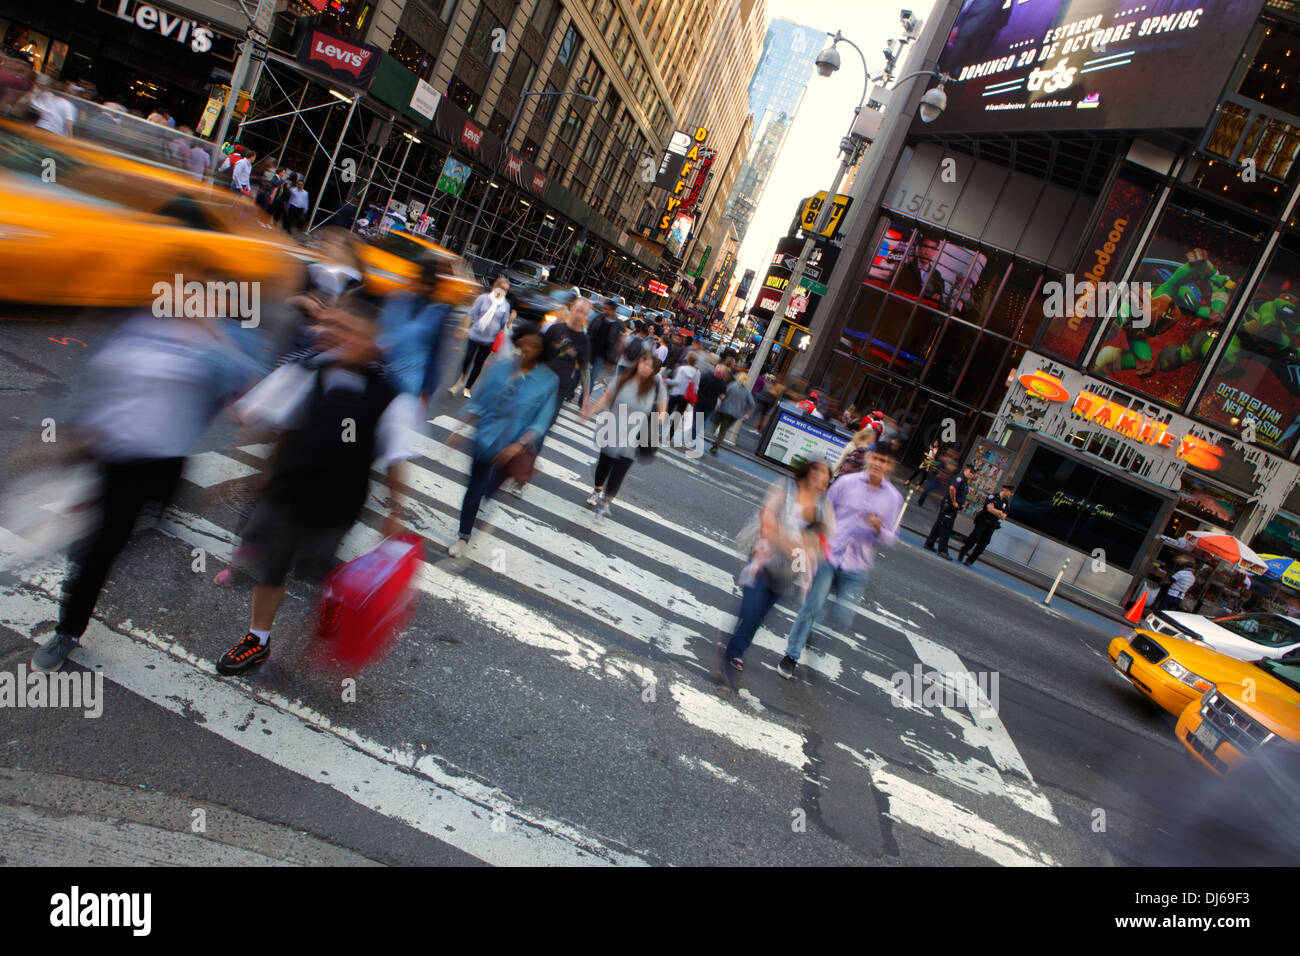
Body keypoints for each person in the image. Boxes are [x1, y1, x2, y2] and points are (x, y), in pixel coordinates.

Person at [31, 303, 261, 673]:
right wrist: (81, 430)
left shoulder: (218, 339)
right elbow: (101, 375)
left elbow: (247, 394)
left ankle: (123, 532)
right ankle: (69, 630)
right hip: (117, 456)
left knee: (136, 525)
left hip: (166, 462)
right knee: (99, 548)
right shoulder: (138, 325)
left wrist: (214, 336)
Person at [214, 302, 418, 675]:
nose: (331, 332)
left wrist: (396, 511)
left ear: (371, 340)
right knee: (274, 565)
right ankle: (257, 640)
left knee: (317, 568)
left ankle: (332, 599)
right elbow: (260, 414)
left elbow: (396, 455)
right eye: (331, 325)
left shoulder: (389, 394)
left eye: (346, 328)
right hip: (289, 491)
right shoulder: (307, 369)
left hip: (338, 503)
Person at [779, 446, 903, 679]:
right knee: (811, 606)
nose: (877, 463)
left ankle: (812, 633)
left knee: (843, 618)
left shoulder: (893, 498)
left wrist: (878, 528)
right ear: (869, 458)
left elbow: (890, 538)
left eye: (884, 461)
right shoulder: (847, 483)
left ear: (890, 466)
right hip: (830, 555)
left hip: (858, 566)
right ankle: (791, 656)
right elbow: (824, 509)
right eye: (876, 458)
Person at [447, 321, 558, 556]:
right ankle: (463, 536)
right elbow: (479, 400)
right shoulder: (501, 368)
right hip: (486, 437)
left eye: (534, 345)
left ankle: (487, 494)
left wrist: (519, 445)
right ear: (518, 342)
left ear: (542, 350)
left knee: (489, 488)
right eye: (524, 342)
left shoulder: (548, 381)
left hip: (513, 446)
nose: (527, 348)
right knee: (474, 488)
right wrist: (461, 426)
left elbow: (541, 420)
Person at [725, 460, 832, 673]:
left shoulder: (823, 509)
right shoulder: (787, 488)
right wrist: (789, 542)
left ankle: (739, 645)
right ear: (808, 472)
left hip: (787, 571)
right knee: (751, 608)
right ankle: (734, 651)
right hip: (763, 559)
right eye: (817, 473)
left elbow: (821, 543)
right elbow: (768, 518)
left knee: (760, 614)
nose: (819, 481)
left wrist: (802, 548)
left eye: (825, 480)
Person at [581, 352, 667, 518]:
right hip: (613, 428)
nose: (645, 367)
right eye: (644, 363)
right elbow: (606, 399)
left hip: (635, 434)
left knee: (620, 470)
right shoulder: (623, 378)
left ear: (653, 371)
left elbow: (662, 404)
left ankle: (606, 503)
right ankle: (597, 489)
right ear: (638, 362)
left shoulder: (656, 385)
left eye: (650, 366)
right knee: (603, 466)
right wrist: (590, 411)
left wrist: (661, 416)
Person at [376, 254, 454, 411]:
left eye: (430, 284)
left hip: (409, 384)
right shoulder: (399, 300)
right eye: (422, 281)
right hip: (380, 376)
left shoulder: (440, 312)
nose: (424, 287)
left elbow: (437, 355)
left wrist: (427, 391)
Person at [448, 276, 511, 398]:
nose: (503, 291)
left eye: (506, 290)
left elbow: (504, 323)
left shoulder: (505, 306)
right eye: (502, 288)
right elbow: (470, 314)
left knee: (479, 363)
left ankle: (467, 387)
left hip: (489, 340)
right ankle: (460, 381)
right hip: (475, 335)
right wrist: (464, 328)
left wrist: (510, 321)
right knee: (468, 358)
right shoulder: (483, 299)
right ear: (495, 287)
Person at [924, 462, 972, 560]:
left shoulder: (964, 481)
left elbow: (959, 494)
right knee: (946, 527)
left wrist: (960, 505)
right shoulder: (959, 478)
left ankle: (929, 543)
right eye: (971, 472)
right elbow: (952, 488)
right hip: (949, 506)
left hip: (952, 506)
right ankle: (943, 550)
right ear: (966, 470)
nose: (972, 475)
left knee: (939, 524)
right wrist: (954, 502)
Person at [958, 483, 1012, 566]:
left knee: (983, 544)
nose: (1011, 494)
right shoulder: (993, 496)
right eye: (1010, 492)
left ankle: (970, 560)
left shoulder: (1006, 503)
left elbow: (1003, 517)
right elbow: (988, 508)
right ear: (1005, 490)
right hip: (983, 521)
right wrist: (999, 512)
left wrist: (995, 511)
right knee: (973, 538)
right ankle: (963, 551)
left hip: (992, 525)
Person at [709, 371, 755, 455]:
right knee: (724, 430)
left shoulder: (732, 386)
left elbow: (723, 395)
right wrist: (746, 413)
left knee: (719, 426)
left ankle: (715, 443)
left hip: (725, 410)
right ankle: (716, 445)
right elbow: (752, 404)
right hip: (736, 414)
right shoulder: (747, 391)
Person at [664, 352, 700, 446]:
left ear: (687, 360)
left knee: (667, 412)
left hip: (676, 393)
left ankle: (656, 430)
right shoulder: (697, 372)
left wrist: (667, 380)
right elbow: (696, 387)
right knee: (678, 417)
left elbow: (677, 382)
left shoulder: (682, 369)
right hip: (686, 397)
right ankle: (669, 437)